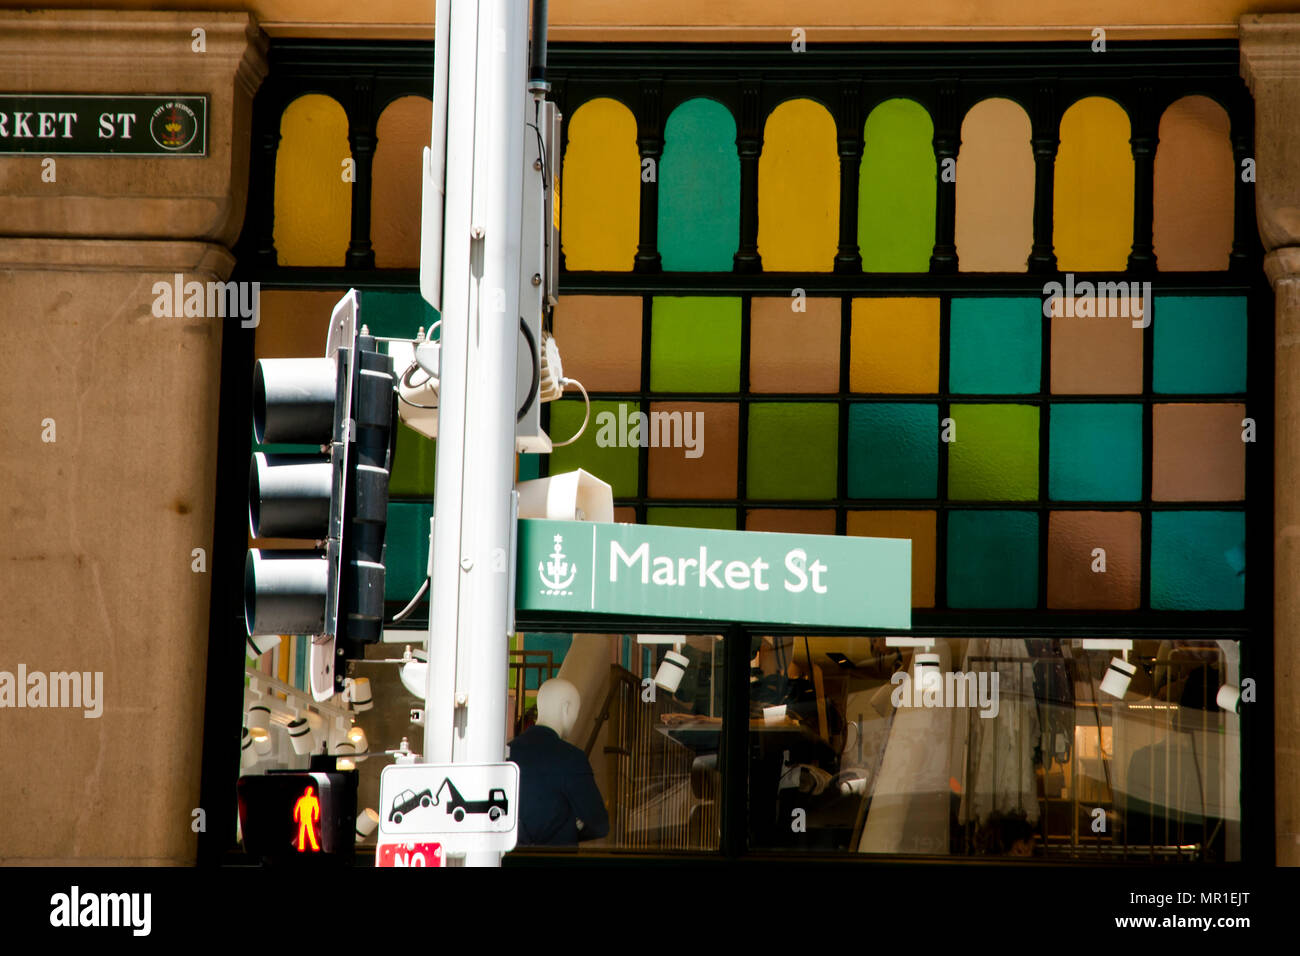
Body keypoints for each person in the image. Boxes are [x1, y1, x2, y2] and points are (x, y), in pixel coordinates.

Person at [507, 678, 609, 845]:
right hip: (554, 858)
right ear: (567, 708)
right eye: (577, 711)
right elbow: (599, 824)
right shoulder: (571, 758)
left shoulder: (508, 752)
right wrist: (571, 825)